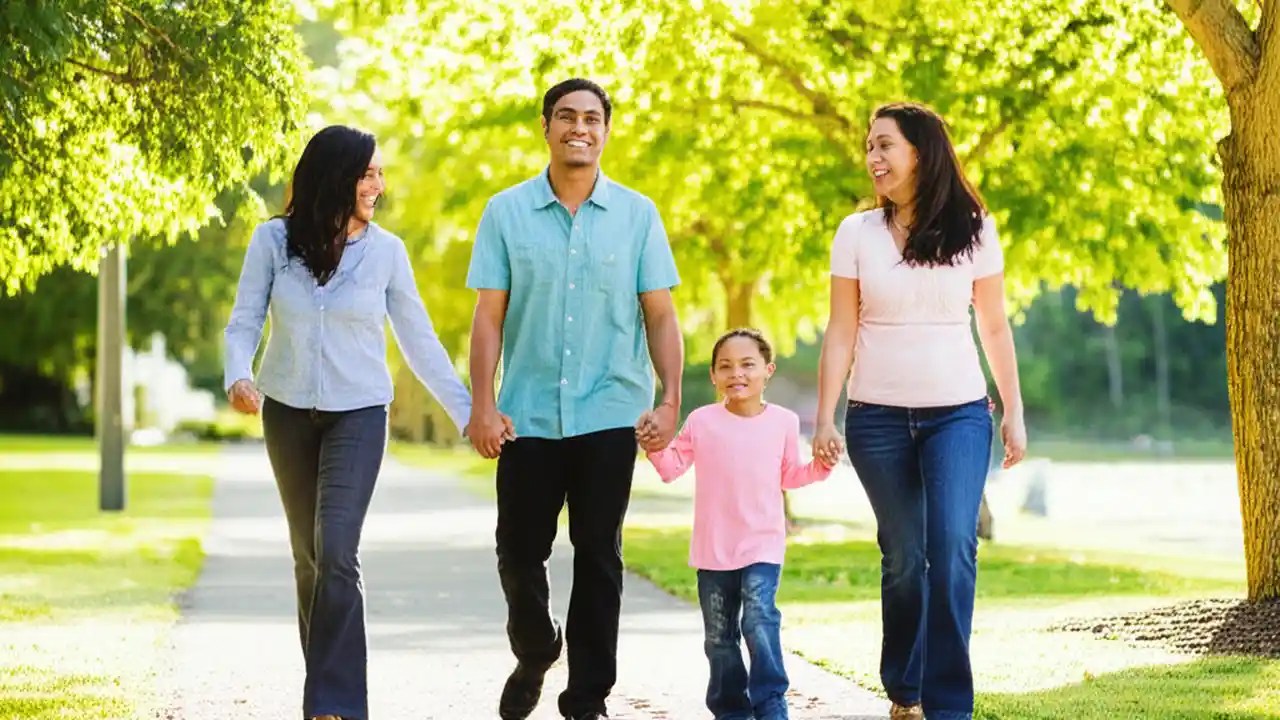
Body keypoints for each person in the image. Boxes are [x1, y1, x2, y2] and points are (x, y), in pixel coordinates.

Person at [224, 125, 491, 720]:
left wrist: (470, 413)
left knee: (338, 549)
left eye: (380, 174)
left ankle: (333, 705)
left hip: (360, 414)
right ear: (336, 177)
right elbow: (243, 320)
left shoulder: (387, 252)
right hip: (288, 412)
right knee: (309, 557)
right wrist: (237, 374)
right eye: (368, 173)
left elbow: (420, 342)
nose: (379, 185)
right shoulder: (273, 243)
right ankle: (329, 686)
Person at [464, 78, 684, 720]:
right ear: (546, 126)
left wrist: (670, 400)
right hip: (526, 413)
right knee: (517, 551)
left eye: (592, 118)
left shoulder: (639, 215)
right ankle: (535, 651)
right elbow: (487, 319)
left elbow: (661, 315)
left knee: (599, 556)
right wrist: (483, 403)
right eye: (566, 116)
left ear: (607, 130)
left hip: (610, 412)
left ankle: (587, 696)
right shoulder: (505, 212)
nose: (579, 128)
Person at [811, 102, 1028, 720]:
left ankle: (948, 704)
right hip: (877, 419)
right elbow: (840, 330)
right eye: (869, 148)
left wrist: (1012, 409)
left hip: (958, 414)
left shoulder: (976, 227)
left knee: (954, 543)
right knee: (905, 554)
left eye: (884, 146)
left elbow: (993, 324)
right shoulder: (856, 233)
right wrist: (825, 416)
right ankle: (903, 685)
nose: (873, 158)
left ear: (921, 152)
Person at [641, 328, 835, 720]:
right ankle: (731, 709)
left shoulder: (782, 421)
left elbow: (789, 475)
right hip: (713, 551)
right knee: (719, 638)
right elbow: (672, 468)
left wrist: (821, 467)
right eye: (725, 366)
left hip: (762, 545)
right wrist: (653, 446)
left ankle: (770, 703)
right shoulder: (702, 421)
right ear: (713, 375)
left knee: (760, 618)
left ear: (768, 370)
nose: (737, 374)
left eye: (748, 365)